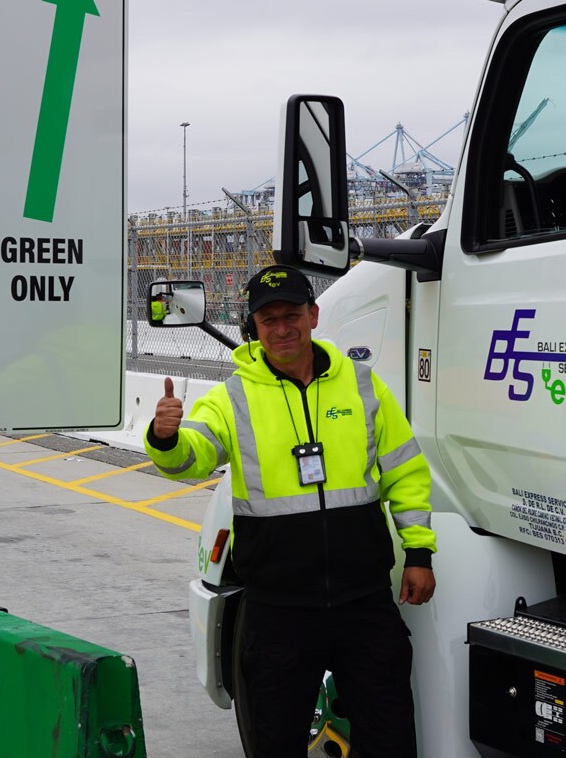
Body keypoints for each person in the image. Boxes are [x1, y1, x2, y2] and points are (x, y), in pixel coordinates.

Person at [145, 264, 436, 757]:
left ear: (313, 314)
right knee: (275, 743)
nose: (283, 328)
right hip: (277, 613)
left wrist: (420, 553)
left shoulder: (362, 386)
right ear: (254, 329)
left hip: (362, 605)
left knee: (390, 739)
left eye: (292, 315)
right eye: (269, 319)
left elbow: (405, 472)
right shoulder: (232, 398)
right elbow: (192, 458)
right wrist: (166, 437)